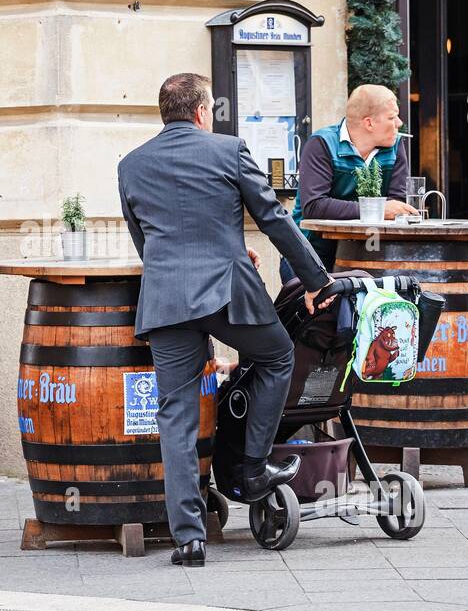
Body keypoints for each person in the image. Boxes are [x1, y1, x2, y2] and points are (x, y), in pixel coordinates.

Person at [118, 73, 334, 568]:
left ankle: (189, 539)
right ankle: (254, 470)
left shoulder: (131, 166)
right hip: (227, 291)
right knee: (278, 355)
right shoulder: (228, 149)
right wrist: (316, 278)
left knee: (175, 413)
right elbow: (275, 219)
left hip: (167, 299)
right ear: (201, 112)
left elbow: (146, 243)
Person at [281, 83, 418, 281]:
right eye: (391, 117)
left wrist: (387, 211)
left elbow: (396, 205)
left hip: (364, 255)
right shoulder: (322, 144)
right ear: (369, 123)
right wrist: (378, 210)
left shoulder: (395, 147)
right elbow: (314, 206)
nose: (399, 122)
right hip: (309, 253)